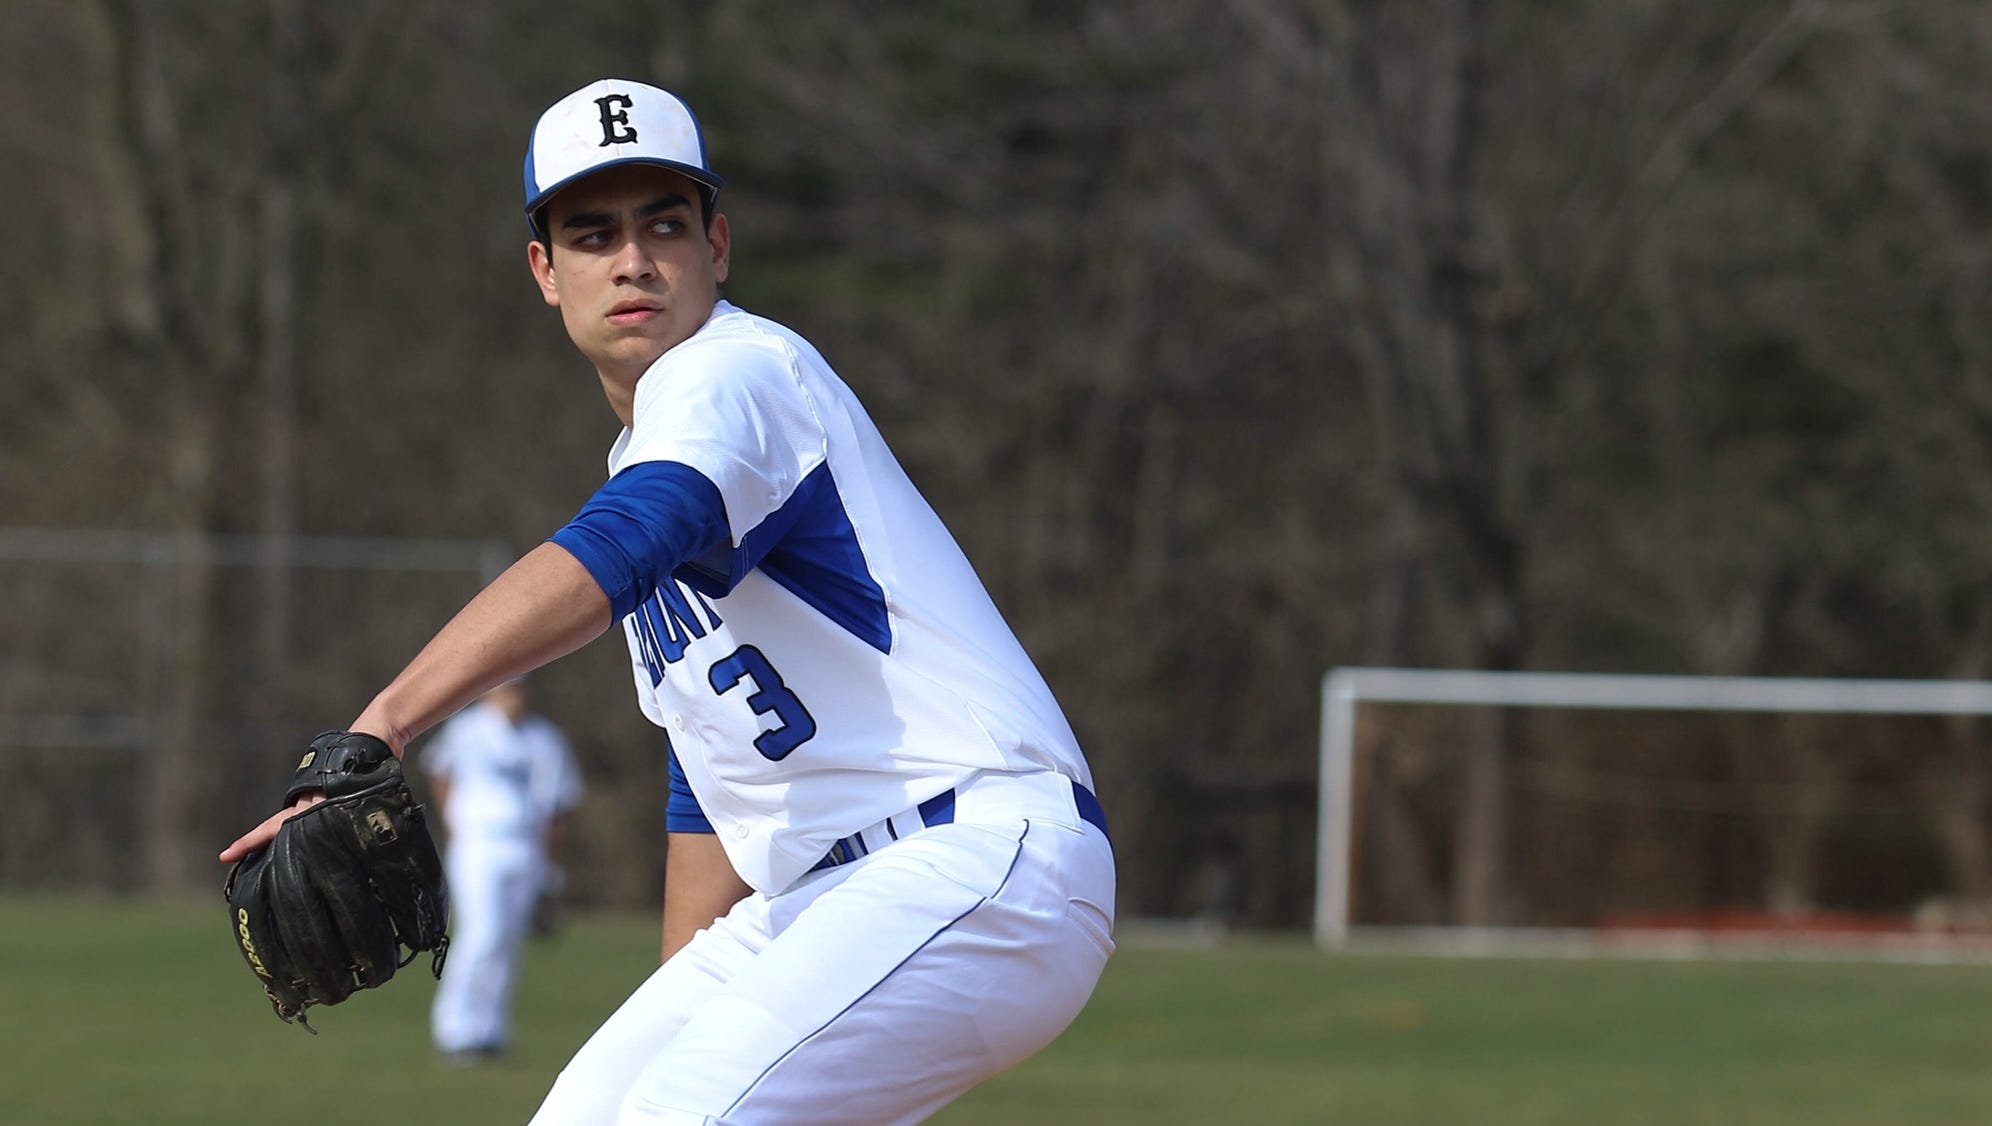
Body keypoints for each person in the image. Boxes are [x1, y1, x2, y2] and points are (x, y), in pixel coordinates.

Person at [223, 77, 1115, 1125]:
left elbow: (627, 538)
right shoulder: (643, 451)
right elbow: (712, 790)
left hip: (976, 853)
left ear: (718, 245)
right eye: (593, 233)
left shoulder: (737, 372)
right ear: (545, 273)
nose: (634, 258)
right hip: (824, 896)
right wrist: (682, 1005)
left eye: (665, 224)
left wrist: (382, 724)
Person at [421, 678, 584, 1064]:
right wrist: (453, 819)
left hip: (525, 845)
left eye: (521, 690)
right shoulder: (467, 729)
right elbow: (438, 770)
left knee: (508, 941)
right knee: (482, 933)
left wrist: (550, 870)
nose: (515, 697)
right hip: (478, 844)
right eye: (508, 690)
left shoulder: (545, 740)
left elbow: (556, 808)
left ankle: (490, 1030)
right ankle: (455, 1030)